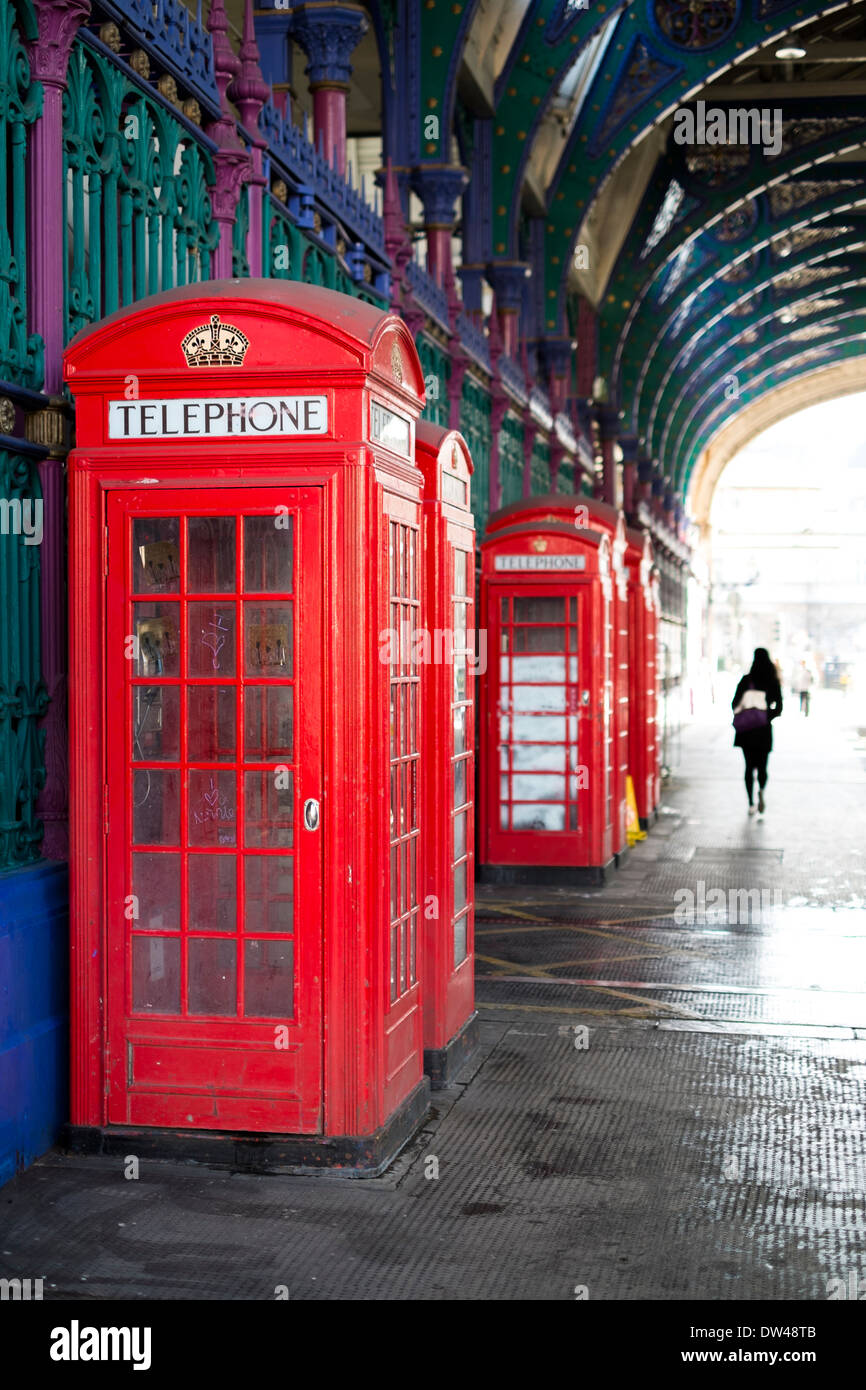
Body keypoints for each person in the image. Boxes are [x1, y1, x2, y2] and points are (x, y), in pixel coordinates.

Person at [732, 648, 783, 817]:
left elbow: (734, 704)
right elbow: (779, 708)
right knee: (762, 766)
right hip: (763, 730)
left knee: (748, 767)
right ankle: (761, 789)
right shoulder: (772, 681)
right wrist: (766, 716)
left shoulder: (747, 680)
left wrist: (748, 712)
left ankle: (751, 803)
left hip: (746, 730)